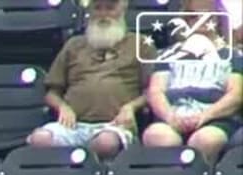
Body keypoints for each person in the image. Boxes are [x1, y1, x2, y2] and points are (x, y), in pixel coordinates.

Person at [27, 0, 150, 159]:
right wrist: (63, 107)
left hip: (114, 126)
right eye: (97, 8)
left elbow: (152, 91)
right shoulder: (73, 45)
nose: (103, 14)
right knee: (40, 139)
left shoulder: (141, 44)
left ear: (122, 9)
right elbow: (51, 93)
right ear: (89, 11)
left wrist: (131, 107)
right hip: (73, 125)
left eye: (110, 8)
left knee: (105, 143)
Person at [142, 0, 241, 163]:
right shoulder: (168, 55)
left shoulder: (232, 55)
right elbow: (156, 91)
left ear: (217, 19)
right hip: (172, 116)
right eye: (194, 16)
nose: (201, 20)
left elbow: (235, 95)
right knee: (157, 136)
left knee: (205, 140)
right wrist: (170, 117)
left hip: (214, 118)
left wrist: (204, 116)